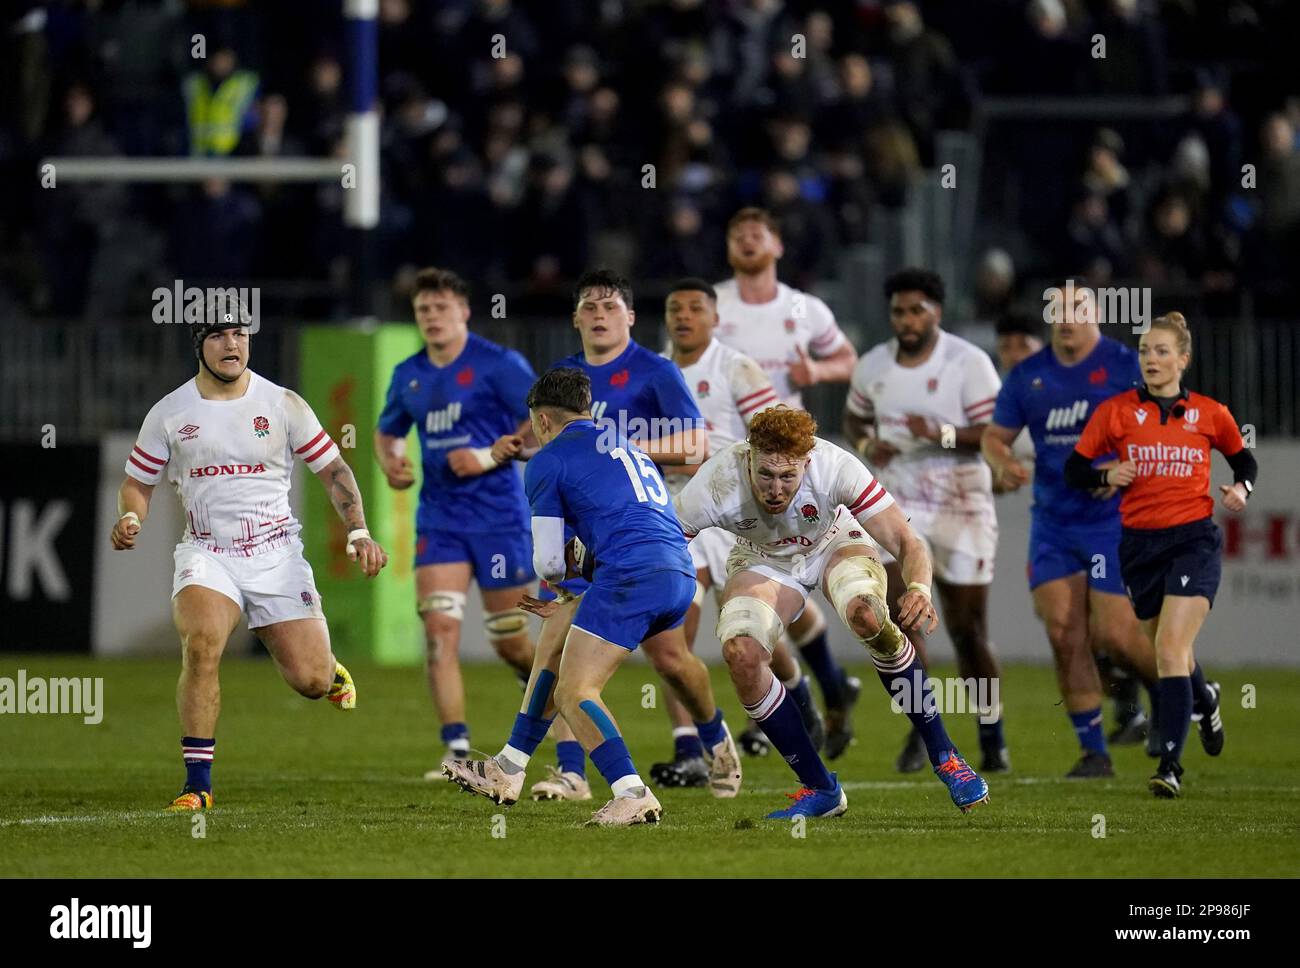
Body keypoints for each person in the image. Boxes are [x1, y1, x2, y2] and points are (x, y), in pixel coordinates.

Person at [111, 297, 388, 811]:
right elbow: (137, 483)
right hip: (207, 553)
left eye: (238, 333)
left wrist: (358, 533)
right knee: (202, 644)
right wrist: (132, 516)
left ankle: (329, 673)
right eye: (217, 335)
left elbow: (334, 471)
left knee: (309, 680)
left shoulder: (282, 403)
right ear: (200, 345)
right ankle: (197, 785)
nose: (231, 343)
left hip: (277, 555)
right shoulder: (171, 412)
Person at [481, 269, 743, 803]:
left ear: (629, 317)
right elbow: (540, 442)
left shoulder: (656, 371)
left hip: (637, 532)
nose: (599, 315)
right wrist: (512, 445)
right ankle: (567, 773)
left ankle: (714, 738)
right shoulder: (564, 380)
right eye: (589, 307)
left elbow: (696, 443)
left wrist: (621, 452)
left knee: (667, 659)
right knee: (551, 647)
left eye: (610, 306)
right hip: (586, 536)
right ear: (576, 318)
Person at [675, 406, 992, 817]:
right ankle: (820, 788)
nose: (775, 488)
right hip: (762, 557)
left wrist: (919, 588)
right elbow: (664, 540)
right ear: (748, 457)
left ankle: (946, 757)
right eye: (765, 474)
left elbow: (906, 540)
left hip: (833, 542)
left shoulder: (834, 466)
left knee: (869, 616)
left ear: (807, 462)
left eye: (788, 477)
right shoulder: (718, 480)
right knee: (742, 655)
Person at [442, 368, 721, 826]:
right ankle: (508, 767)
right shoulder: (628, 446)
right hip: (677, 571)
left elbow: (550, 563)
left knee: (575, 691)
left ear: (543, 421)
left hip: (632, 574)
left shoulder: (548, 460)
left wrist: (568, 580)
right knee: (555, 637)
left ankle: (632, 792)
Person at [650, 278, 826, 788]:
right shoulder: (654, 372)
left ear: (713, 317)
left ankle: (797, 687)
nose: (683, 316)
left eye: (693, 308)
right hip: (679, 507)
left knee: (752, 630)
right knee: (671, 632)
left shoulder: (736, 367)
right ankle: (688, 749)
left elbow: (782, 432)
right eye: (674, 308)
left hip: (734, 511)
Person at [1066, 311, 1247, 798]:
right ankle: (1205, 698)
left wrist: (1242, 488)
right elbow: (1075, 469)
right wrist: (1107, 476)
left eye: (1162, 351)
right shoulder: (1117, 413)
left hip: (1193, 541)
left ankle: (1169, 766)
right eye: (1146, 351)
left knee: (1167, 649)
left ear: (1183, 360)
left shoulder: (1210, 413)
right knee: (1171, 650)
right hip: (1139, 547)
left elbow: (1241, 457)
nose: (1151, 359)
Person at [982, 284, 1161, 776]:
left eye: (1076, 309)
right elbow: (995, 439)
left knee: (1116, 636)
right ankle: (1094, 752)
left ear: (1096, 314)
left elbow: (1160, 427)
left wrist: (1127, 460)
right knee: (1064, 632)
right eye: (1057, 311)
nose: (1065, 319)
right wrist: (1001, 465)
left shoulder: (1126, 365)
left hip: (1112, 521)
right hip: (1054, 525)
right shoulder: (1028, 377)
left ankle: (1173, 696)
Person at [374, 268, 542, 777]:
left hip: (499, 519)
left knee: (510, 640)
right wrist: (391, 462)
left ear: (464, 311)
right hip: (440, 522)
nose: (432, 317)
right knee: (440, 633)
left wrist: (490, 456)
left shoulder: (498, 364)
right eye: (424, 309)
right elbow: (387, 432)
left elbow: (543, 418)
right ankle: (457, 749)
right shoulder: (408, 374)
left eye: (441, 308)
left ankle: (536, 689)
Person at [843, 268, 1009, 773]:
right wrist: (870, 444)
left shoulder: (968, 362)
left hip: (962, 500)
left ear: (937, 311)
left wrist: (939, 435)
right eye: (899, 310)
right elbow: (854, 418)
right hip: (902, 499)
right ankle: (926, 732)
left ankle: (992, 737)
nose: (908, 319)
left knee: (966, 629)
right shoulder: (872, 364)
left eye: (918, 310)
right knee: (903, 621)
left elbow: (994, 432)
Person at [714, 206, 862, 758]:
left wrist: (815, 373)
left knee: (774, 582)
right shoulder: (714, 304)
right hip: (729, 470)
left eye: (758, 233)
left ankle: (789, 698)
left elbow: (848, 359)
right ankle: (818, 687)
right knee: (766, 585)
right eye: (738, 233)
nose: (748, 240)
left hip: (787, 472)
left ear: (776, 245)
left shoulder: (804, 307)